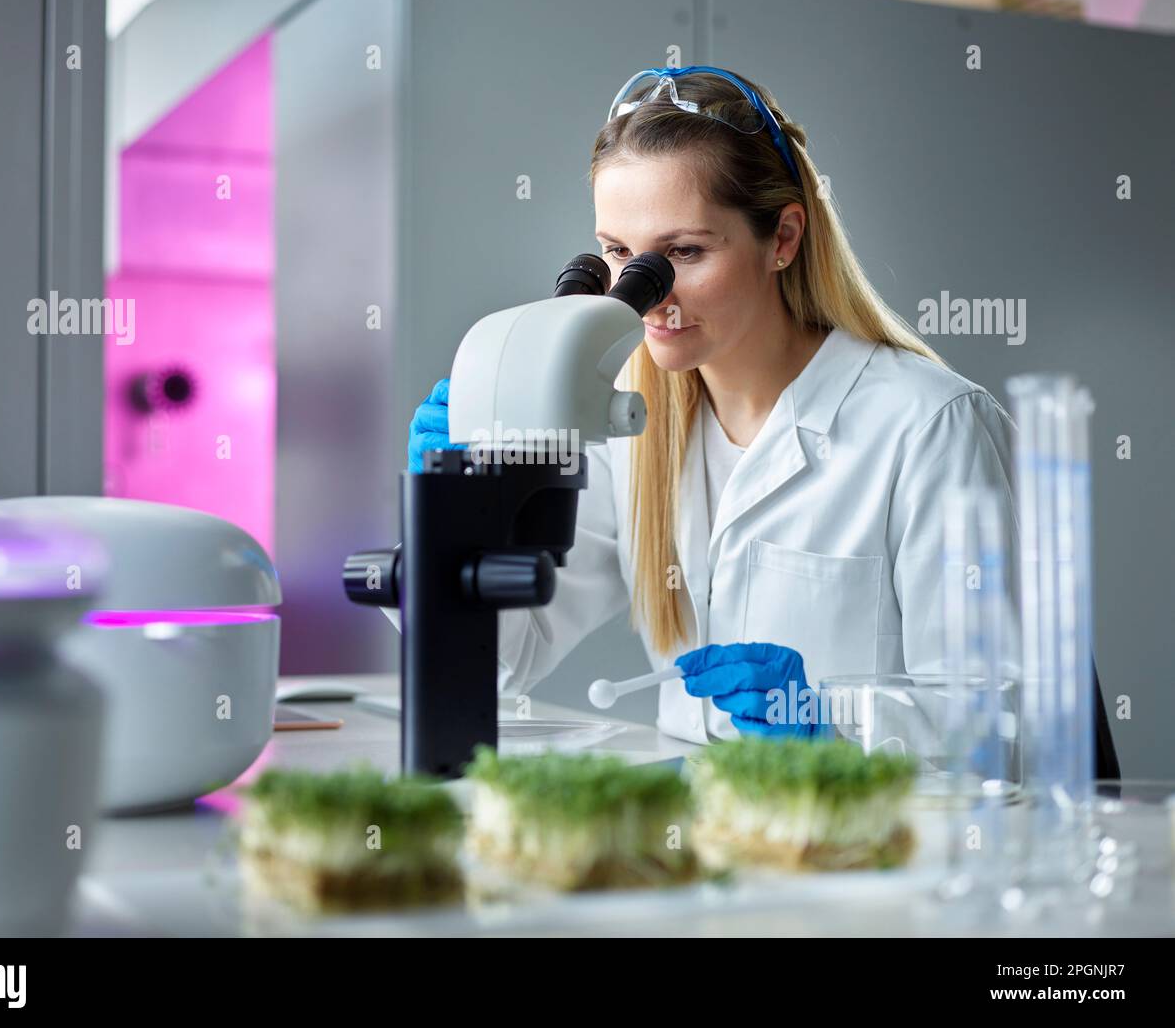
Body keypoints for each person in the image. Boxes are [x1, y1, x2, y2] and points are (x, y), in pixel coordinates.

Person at [405, 67, 1109, 769]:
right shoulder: (629, 419)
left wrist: (832, 721)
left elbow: (1022, 734)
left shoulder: (930, 427)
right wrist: (452, 524)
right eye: (619, 254)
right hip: (708, 841)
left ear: (784, 237)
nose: (646, 296)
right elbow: (505, 662)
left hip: (878, 853)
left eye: (684, 252)